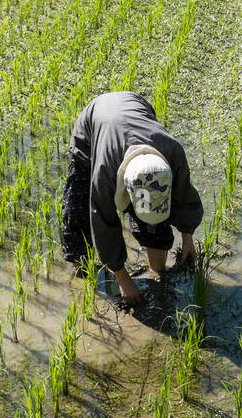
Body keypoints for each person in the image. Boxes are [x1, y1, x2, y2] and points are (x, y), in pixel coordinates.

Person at [61, 91, 203, 308]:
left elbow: (183, 193)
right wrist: (122, 278)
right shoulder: (104, 170)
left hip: (136, 107)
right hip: (91, 135)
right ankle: (82, 277)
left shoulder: (173, 152)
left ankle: (158, 269)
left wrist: (187, 238)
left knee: (154, 224)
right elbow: (102, 219)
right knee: (78, 218)